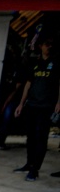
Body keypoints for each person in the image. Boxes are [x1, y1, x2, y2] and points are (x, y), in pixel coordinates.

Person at [14, 38, 59, 182]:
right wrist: (21, 103)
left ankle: (35, 169)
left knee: (41, 137)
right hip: (32, 104)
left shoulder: (56, 63)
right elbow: (28, 84)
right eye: (47, 44)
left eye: (50, 44)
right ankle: (29, 163)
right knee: (31, 136)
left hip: (46, 106)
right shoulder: (36, 63)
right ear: (40, 46)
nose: (49, 47)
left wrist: (59, 103)